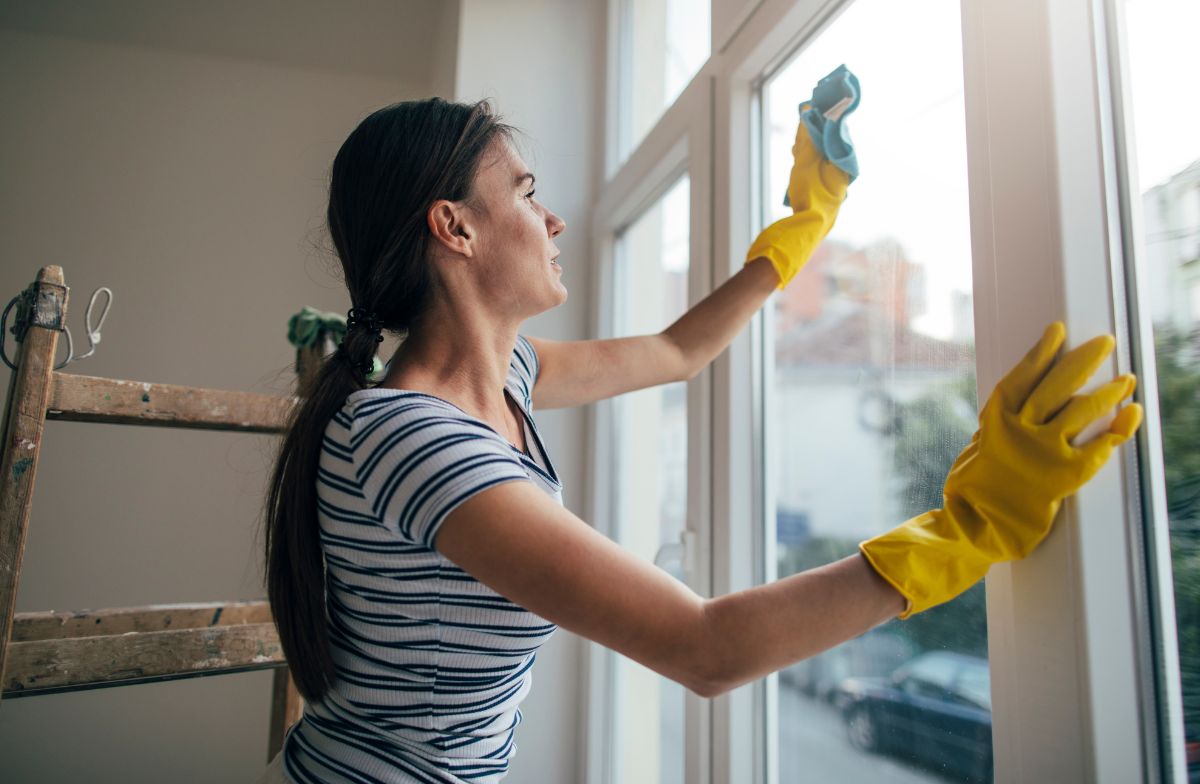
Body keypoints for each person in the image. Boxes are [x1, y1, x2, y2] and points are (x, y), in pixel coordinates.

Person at [260, 97, 1141, 783]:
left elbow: (678, 351)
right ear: (455, 227)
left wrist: (800, 229)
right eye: (528, 193)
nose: (553, 220)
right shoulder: (416, 442)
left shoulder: (506, 378)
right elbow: (708, 647)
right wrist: (967, 527)